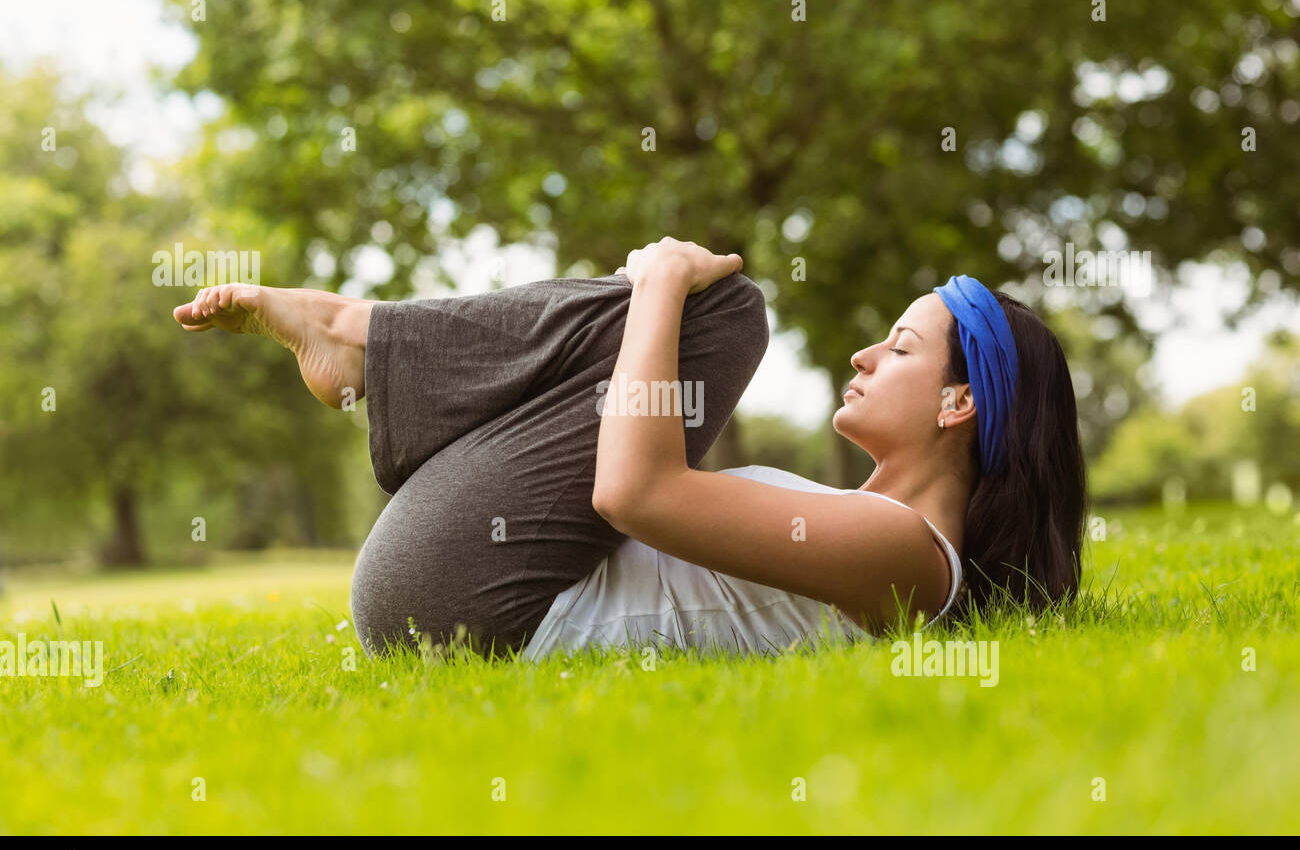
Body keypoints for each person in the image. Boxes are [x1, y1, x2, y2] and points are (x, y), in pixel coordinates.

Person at [172, 237, 1087, 661]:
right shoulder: (875, 526)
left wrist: (656, 285)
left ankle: (360, 336)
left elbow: (635, 492)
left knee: (723, 308)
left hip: (464, 604)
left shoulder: (913, 557)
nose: (864, 354)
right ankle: (364, 344)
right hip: (460, 587)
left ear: (959, 401)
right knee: (705, 309)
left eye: (901, 347)